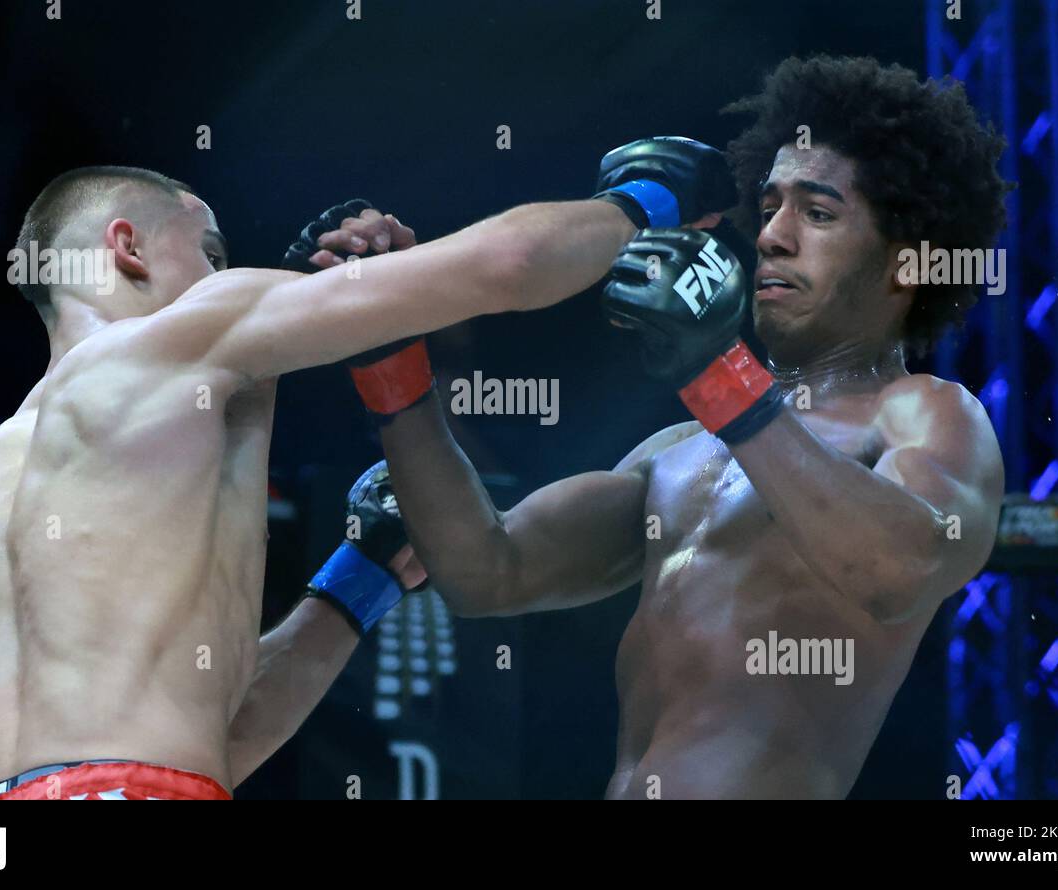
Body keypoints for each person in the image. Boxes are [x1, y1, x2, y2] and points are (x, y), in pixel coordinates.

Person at [0, 145, 725, 799]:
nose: (227, 276)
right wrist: (651, 197)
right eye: (214, 255)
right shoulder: (170, 342)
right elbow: (504, 266)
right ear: (128, 247)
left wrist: (362, 577)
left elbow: (210, 746)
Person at [356, 56, 1010, 798]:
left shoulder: (925, 412)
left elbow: (904, 570)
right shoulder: (679, 451)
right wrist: (388, 350)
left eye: (818, 213)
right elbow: (485, 569)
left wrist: (721, 378)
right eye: (769, 207)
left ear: (902, 264)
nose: (772, 236)